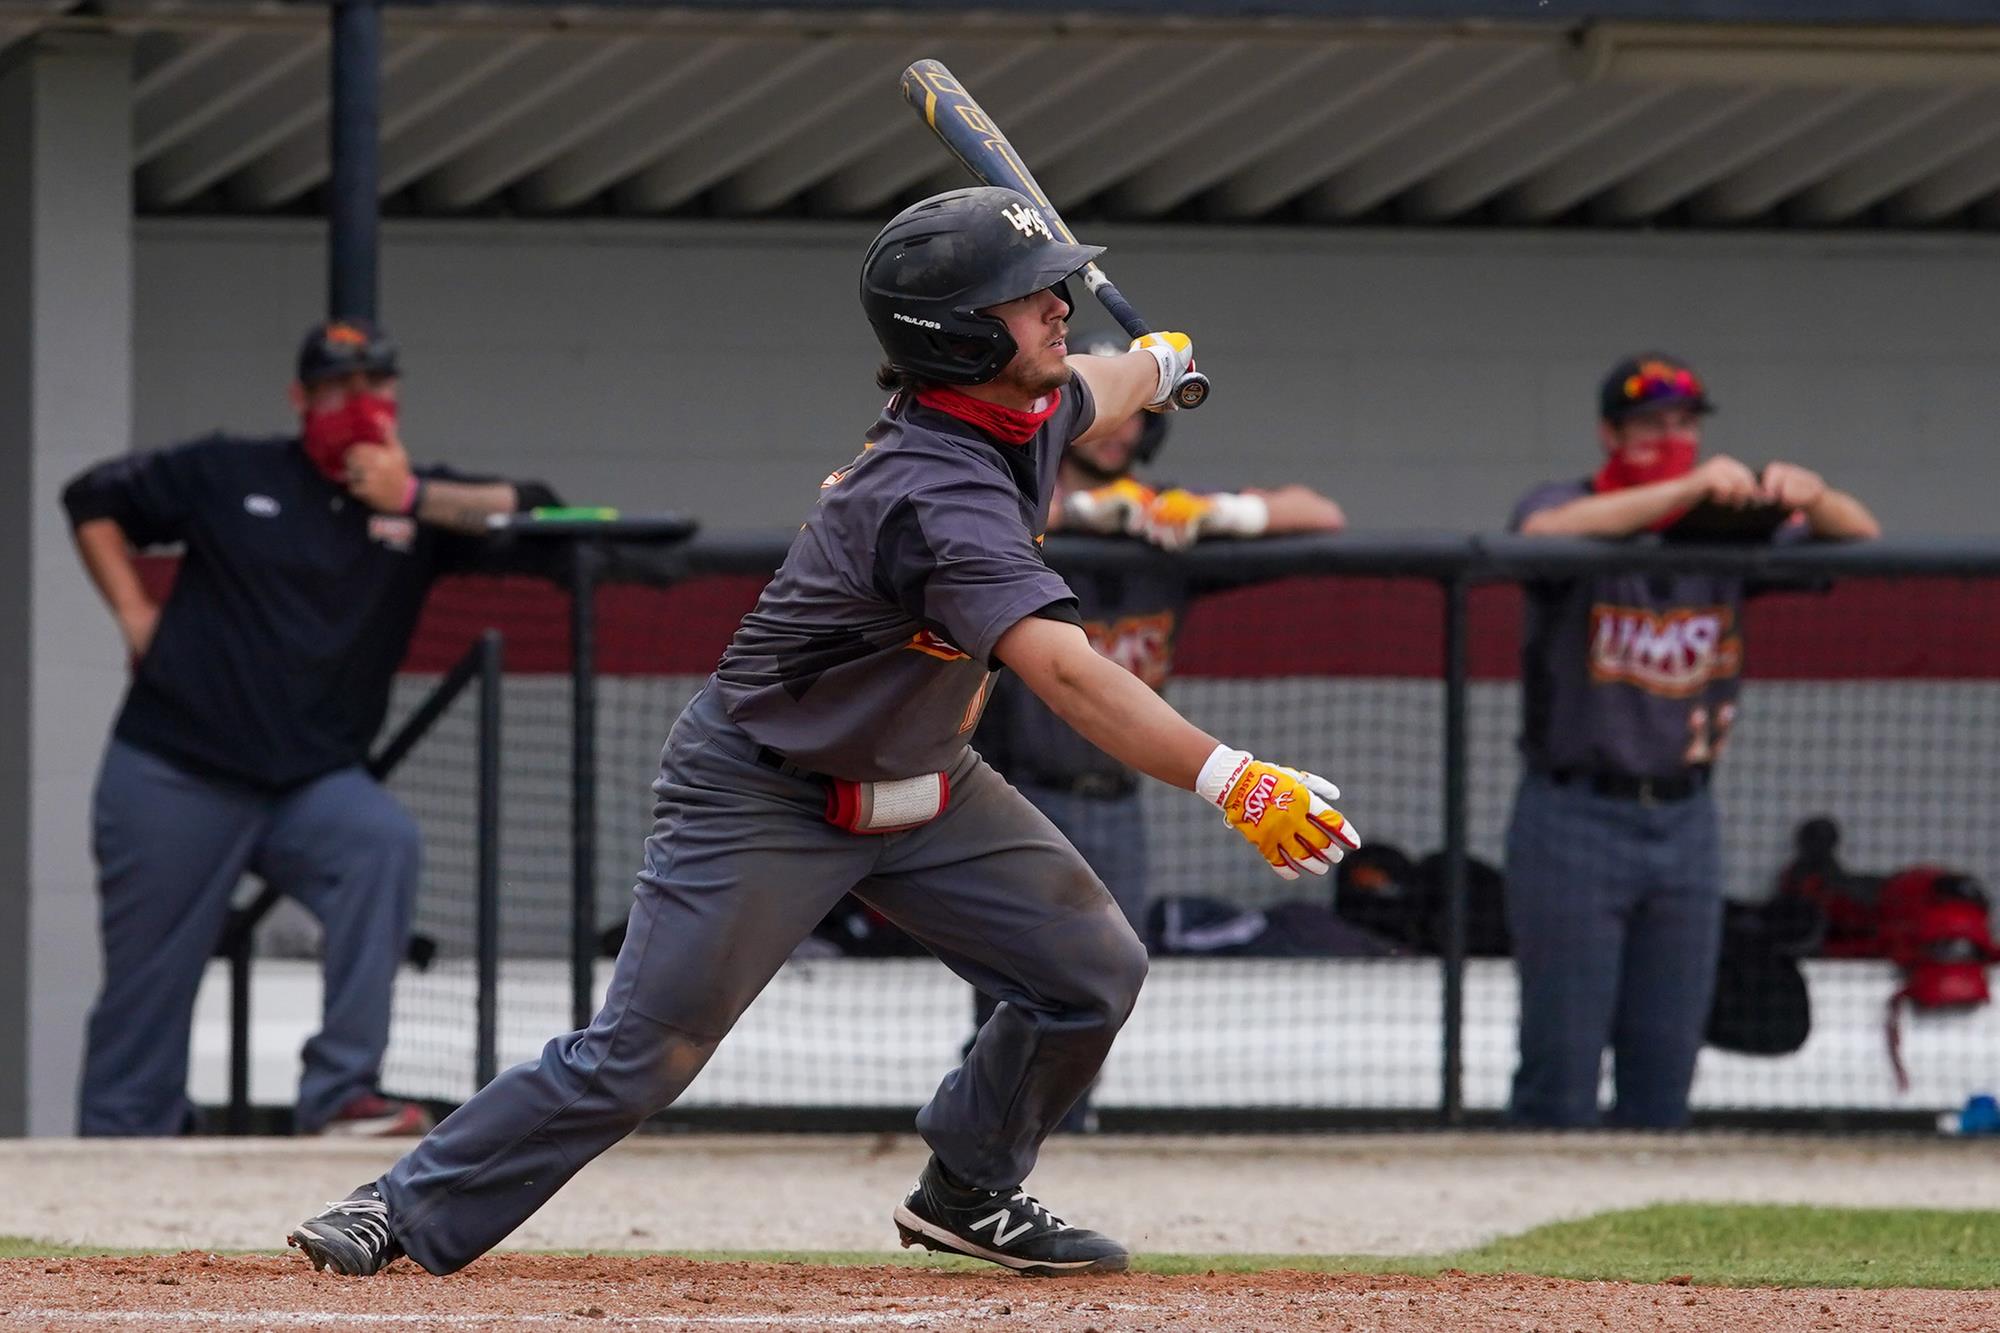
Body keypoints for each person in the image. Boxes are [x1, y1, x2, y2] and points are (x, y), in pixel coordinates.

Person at [286, 185, 1361, 1280]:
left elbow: (1099, 377)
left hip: (926, 780)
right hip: (766, 792)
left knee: (1089, 971)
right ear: (956, 334)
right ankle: (398, 1204)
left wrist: (1161, 365)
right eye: (1028, 297)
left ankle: (969, 1188)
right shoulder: (935, 495)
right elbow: (1067, 676)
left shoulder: (1021, 407)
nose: (1055, 308)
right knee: (645, 1052)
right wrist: (1232, 777)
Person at [63, 318, 560, 1138]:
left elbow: (539, 509)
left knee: (380, 842)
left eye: (375, 386)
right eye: (339, 387)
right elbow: (91, 496)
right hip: (175, 766)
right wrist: (132, 612)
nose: (359, 403)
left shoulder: (417, 502)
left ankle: (339, 1093)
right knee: (147, 983)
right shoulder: (231, 468)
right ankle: (121, 1150)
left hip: (309, 782)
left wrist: (410, 498)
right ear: (302, 397)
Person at [967, 337, 1345, 1127]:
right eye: (1103, 416)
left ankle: (1068, 1132)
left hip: (1119, 795)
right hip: (1017, 789)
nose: (1114, 433)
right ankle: (988, 1139)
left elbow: (1322, 513)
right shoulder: (1015, 502)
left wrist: (1219, 513)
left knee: (1106, 980)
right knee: (1017, 984)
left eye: (1132, 419)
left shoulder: (1164, 524)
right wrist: (1078, 513)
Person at [1503, 352, 1879, 1129]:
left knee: (1667, 1052)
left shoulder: (1726, 534)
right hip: (1573, 811)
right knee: (1562, 1062)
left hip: (1685, 818)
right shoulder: (1574, 504)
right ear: (1611, 433)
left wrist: (1814, 493)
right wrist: (1684, 488)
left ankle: (1640, 1246)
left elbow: (1859, 536)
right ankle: (1533, 1247)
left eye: (1683, 425)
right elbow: (1538, 533)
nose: (1671, 438)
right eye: (1650, 425)